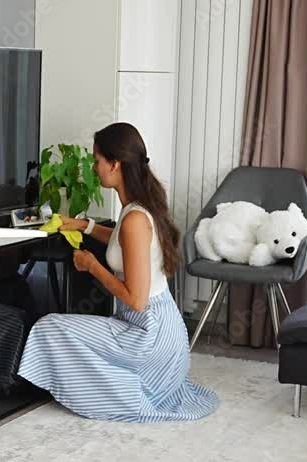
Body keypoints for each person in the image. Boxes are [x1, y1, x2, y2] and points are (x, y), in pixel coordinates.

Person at [16, 122, 219, 422]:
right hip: (158, 330)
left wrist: (92, 266)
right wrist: (83, 225)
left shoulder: (135, 218)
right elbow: (121, 242)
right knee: (69, 331)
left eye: (97, 160)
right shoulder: (135, 208)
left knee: (50, 327)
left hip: (151, 338)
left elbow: (135, 300)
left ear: (115, 163)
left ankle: (114, 392)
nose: (94, 167)